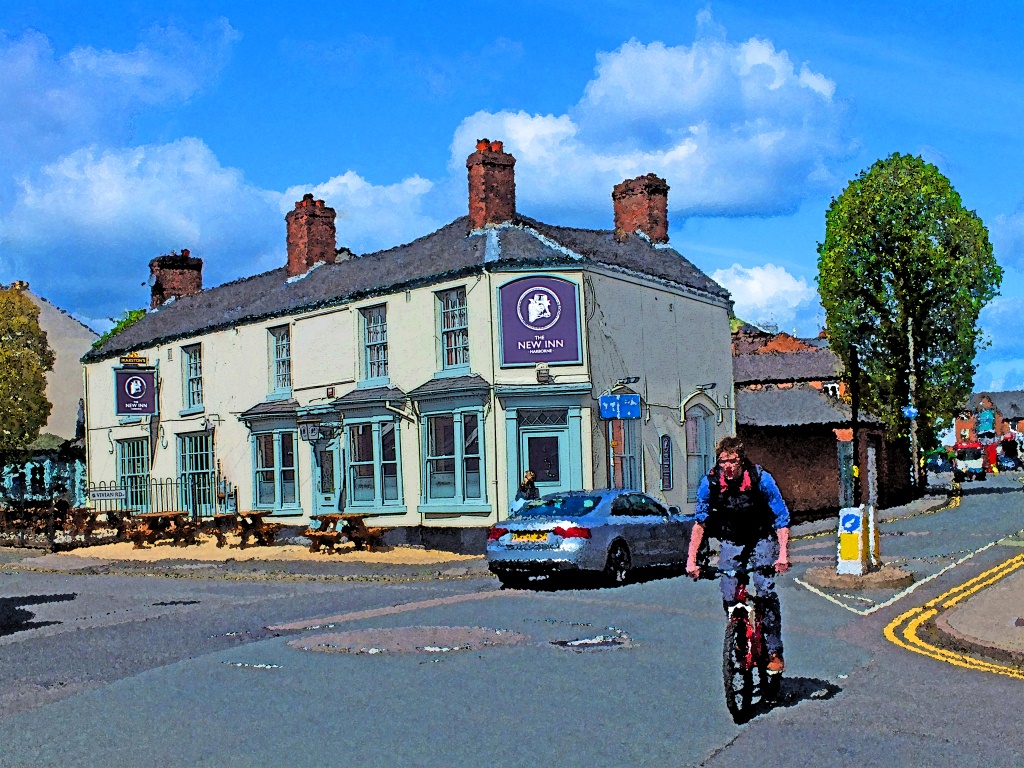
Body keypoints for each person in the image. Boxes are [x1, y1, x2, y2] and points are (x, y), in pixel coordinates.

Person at [685, 436, 791, 673]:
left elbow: (781, 518)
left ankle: (773, 650)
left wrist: (782, 554)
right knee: (729, 590)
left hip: (761, 537)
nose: (728, 467)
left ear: (742, 461)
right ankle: (738, 638)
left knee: (765, 589)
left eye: (733, 461)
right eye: (723, 462)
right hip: (732, 539)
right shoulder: (710, 483)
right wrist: (691, 560)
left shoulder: (760, 479)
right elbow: (700, 522)